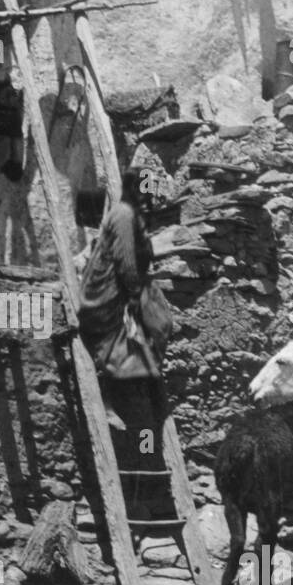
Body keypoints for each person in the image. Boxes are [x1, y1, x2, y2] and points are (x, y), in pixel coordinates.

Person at [76, 167, 174, 432]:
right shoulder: (123, 216)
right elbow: (126, 263)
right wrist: (133, 298)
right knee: (145, 325)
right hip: (103, 297)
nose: (148, 198)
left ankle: (146, 376)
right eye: (144, 192)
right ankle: (111, 397)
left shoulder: (132, 216)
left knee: (160, 319)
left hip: (120, 290)